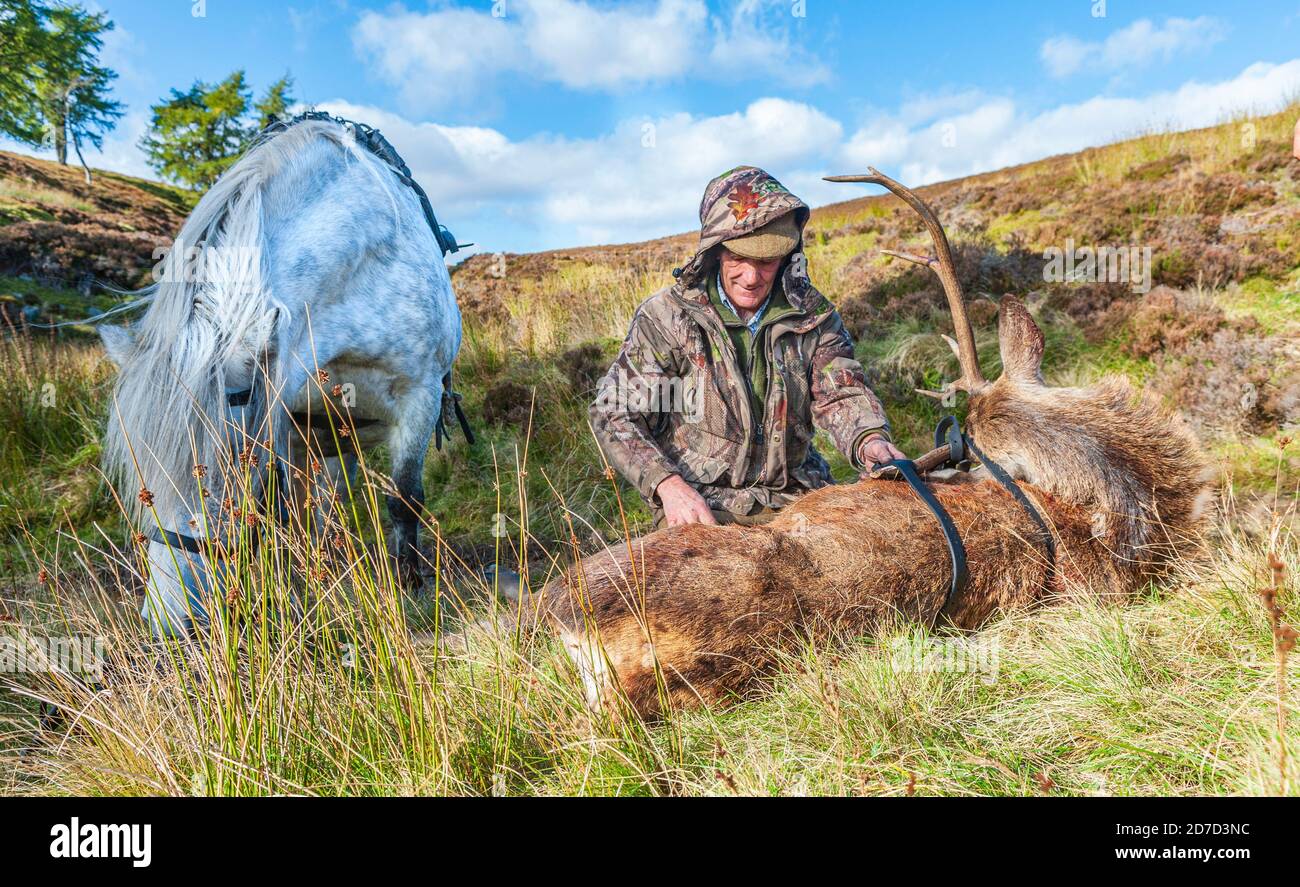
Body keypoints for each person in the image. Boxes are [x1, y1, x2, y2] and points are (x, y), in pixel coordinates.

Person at [591, 166, 903, 528]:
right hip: (703, 502)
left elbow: (843, 394)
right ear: (715, 251)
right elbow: (614, 412)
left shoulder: (814, 317)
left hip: (799, 496)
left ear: (786, 256)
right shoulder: (666, 318)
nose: (752, 278)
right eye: (739, 258)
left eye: (767, 261)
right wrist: (668, 485)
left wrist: (870, 441)